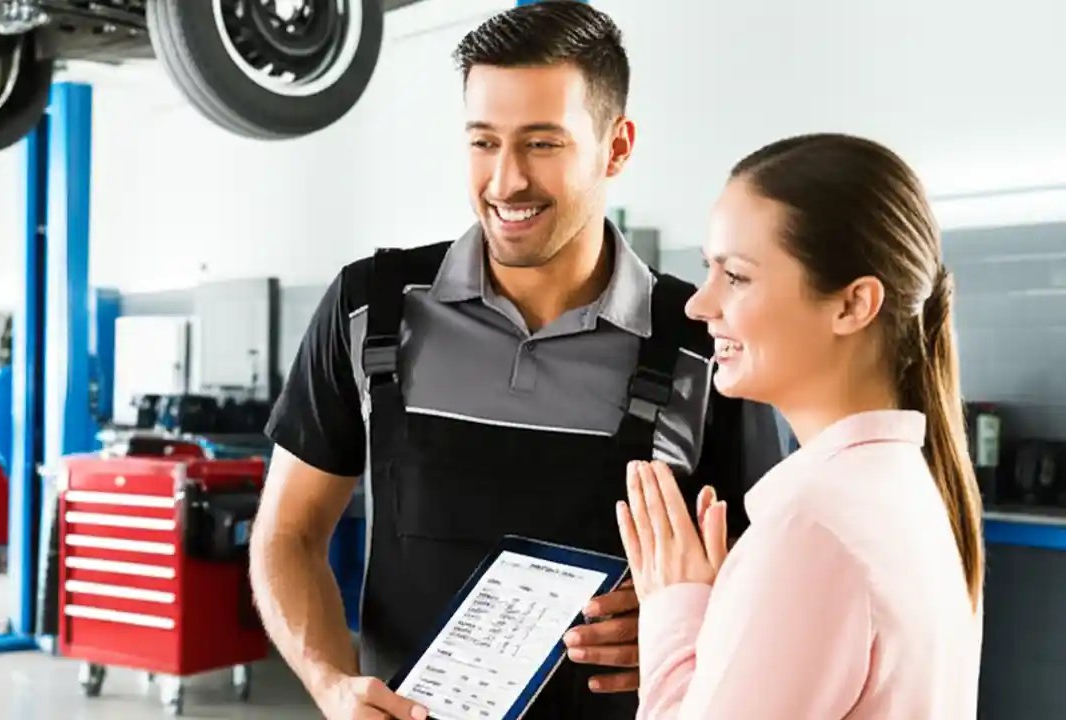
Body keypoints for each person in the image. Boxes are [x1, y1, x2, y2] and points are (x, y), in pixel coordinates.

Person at [248, 3, 783, 719]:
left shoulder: (702, 345)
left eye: (542, 143)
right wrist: (328, 681)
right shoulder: (369, 310)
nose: (505, 182)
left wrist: (693, 622)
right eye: (483, 142)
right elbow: (287, 534)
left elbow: (772, 588)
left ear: (616, 148)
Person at [615, 132, 986, 719]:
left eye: (735, 276)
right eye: (708, 270)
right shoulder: (909, 490)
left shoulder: (812, 529)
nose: (698, 305)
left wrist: (674, 607)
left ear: (852, 304)